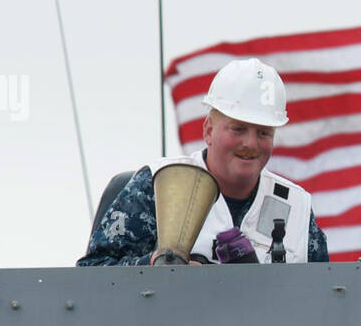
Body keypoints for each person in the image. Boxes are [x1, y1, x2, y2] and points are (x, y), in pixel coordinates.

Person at [78, 58, 329, 265]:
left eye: (263, 133)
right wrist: (156, 266)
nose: (251, 144)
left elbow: (325, 298)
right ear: (208, 130)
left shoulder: (296, 208)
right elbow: (91, 275)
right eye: (238, 129)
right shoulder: (157, 184)